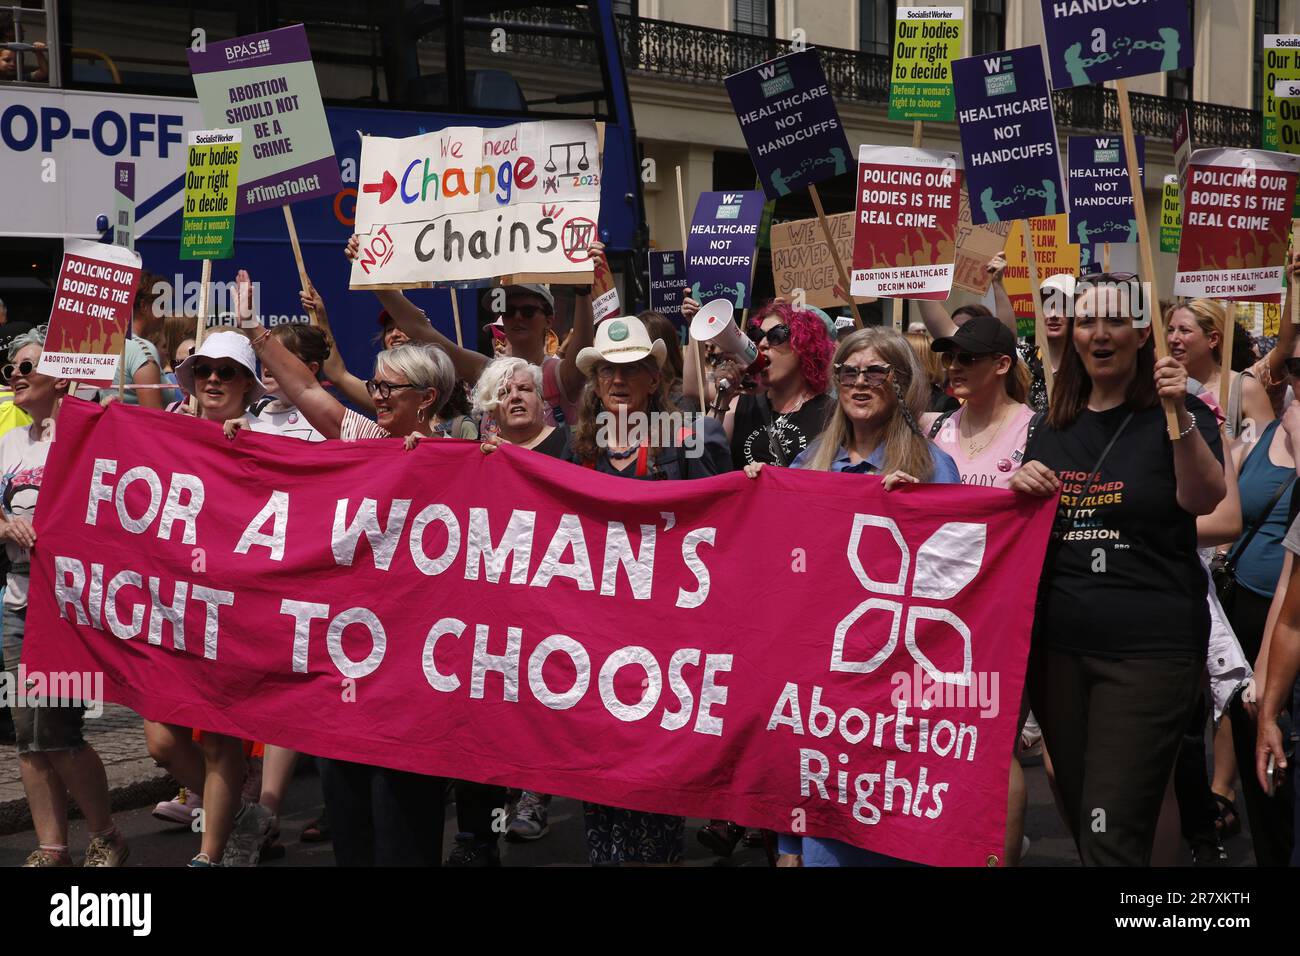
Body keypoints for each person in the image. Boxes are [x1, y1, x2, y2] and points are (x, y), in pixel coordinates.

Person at [228, 274, 454, 865]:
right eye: (375, 387)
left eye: (388, 389)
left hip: (417, 675)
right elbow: (307, 388)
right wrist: (255, 332)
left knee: (402, 821)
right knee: (350, 818)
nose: (374, 396)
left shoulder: (466, 459)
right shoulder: (361, 438)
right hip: (348, 661)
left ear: (426, 398)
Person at [1010, 275, 1226, 866]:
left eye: (1115, 320)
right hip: (1060, 655)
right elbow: (1024, 530)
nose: (1100, 333)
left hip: (1149, 655)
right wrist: (1019, 488)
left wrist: (1177, 411)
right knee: (1089, 820)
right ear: (1073, 333)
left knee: (1112, 830)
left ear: (1141, 333)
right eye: (1086, 321)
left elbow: (1206, 498)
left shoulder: (1180, 412)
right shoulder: (1051, 424)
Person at [749, 327, 959, 866]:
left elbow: (960, 584)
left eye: (876, 372)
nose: (860, 382)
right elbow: (782, 581)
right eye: (849, 371)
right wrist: (756, 499)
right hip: (824, 689)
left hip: (898, 698)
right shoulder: (808, 465)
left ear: (902, 383)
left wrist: (923, 513)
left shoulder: (935, 469)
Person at [570, 315, 728, 864]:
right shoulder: (581, 448)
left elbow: (726, 521)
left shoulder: (688, 438)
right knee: (600, 758)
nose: (618, 380)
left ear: (654, 379)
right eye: (608, 370)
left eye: (632, 369)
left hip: (666, 628)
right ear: (594, 381)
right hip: (596, 629)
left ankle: (659, 852)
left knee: (655, 753)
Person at [141, 330, 275, 866]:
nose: (214, 379)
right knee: (161, 741)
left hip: (237, 610)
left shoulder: (268, 435)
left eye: (227, 371)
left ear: (247, 383)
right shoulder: (167, 432)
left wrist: (256, 448)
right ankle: (243, 815)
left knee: (222, 741)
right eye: (204, 371)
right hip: (173, 607)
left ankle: (210, 854)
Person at [0, 327, 128, 866]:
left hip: (67, 607)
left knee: (58, 731)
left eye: (27, 367)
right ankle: (51, 847)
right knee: (26, 734)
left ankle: (105, 835)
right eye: (10, 370)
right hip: (15, 604)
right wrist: (5, 526)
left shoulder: (88, 435)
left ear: (61, 378)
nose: (14, 377)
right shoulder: (8, 443)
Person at [919, 314, 1036, 865]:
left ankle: (1000, 856)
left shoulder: (1033, 428)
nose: (955, 367)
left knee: (993, 743)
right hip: (942, 608)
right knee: (946, 738)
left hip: (1003, 608)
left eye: (968, 357)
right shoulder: (936, 429)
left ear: (1002, 365)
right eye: (950, 357)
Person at [346, 235, 597, 428]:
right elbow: (420, 330)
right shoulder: (487, 372)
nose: (517, 317)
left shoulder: (559, 376)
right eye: (509, 311)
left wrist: (583, 291)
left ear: (549, 319)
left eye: (528, 311)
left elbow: (583, 347)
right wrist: (372, 275)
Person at [685, 301, 834, 472]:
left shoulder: (830, 413)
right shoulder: (739, 405)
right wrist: (723, 396)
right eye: (757, 335)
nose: (762, 343)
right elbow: (696, 453)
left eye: (776, 335)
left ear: (804, 346)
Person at [1167, 298, 1273, 436]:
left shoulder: (1244, 389)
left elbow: (1262, 449)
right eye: (1170, 330)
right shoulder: (1159, 386)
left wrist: (1227, 445)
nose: (1173, 339)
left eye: (1184, 330)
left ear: (1213, 339)